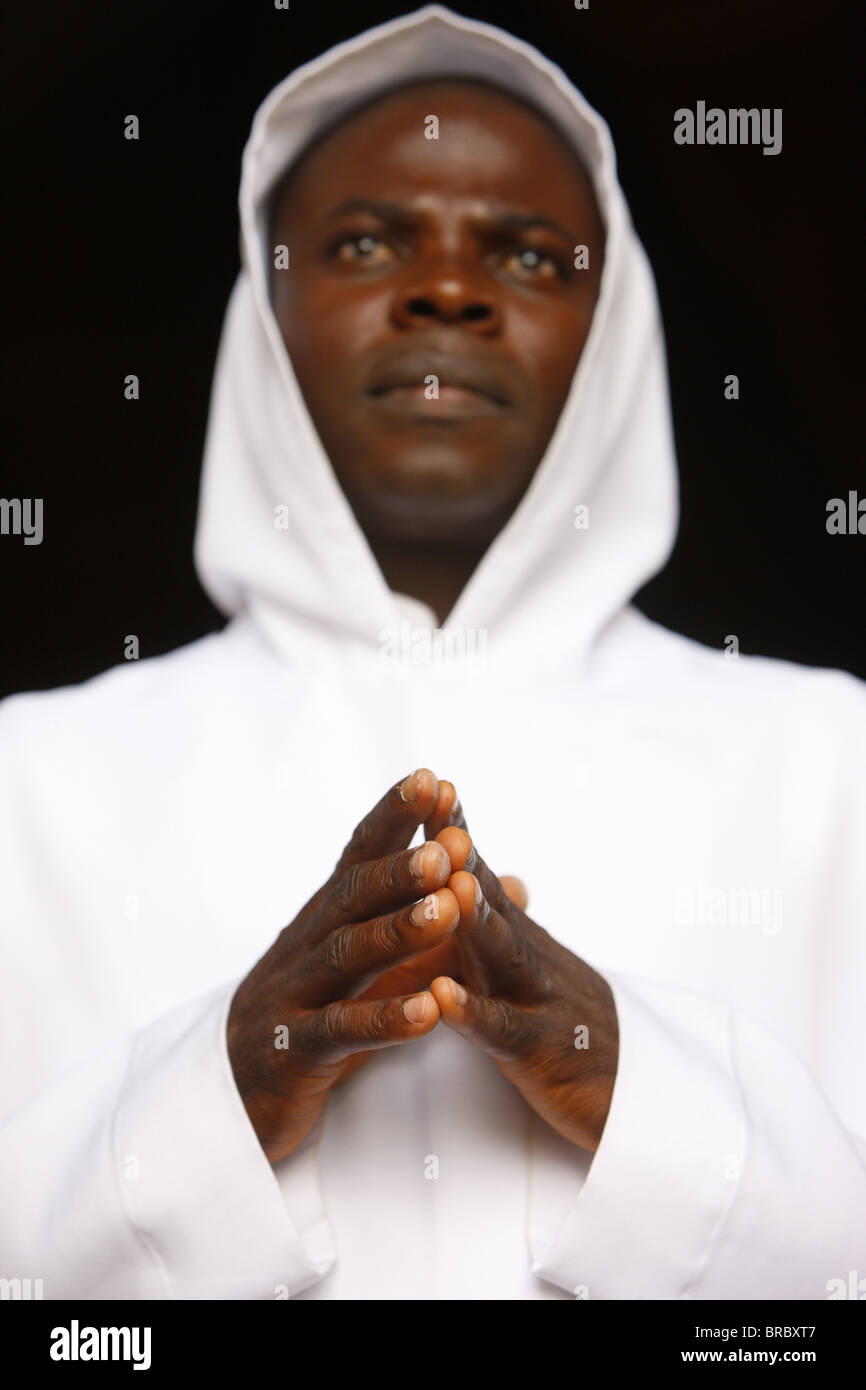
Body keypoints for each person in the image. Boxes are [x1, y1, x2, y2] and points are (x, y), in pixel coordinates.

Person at [1, 4, 864, 1301]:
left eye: (526, 255)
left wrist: (635, 1084)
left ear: (616, 333)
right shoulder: (32, 781)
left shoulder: (828, 762)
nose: (448, 287)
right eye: (363, 240)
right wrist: (215, 1093)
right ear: (264, 317)